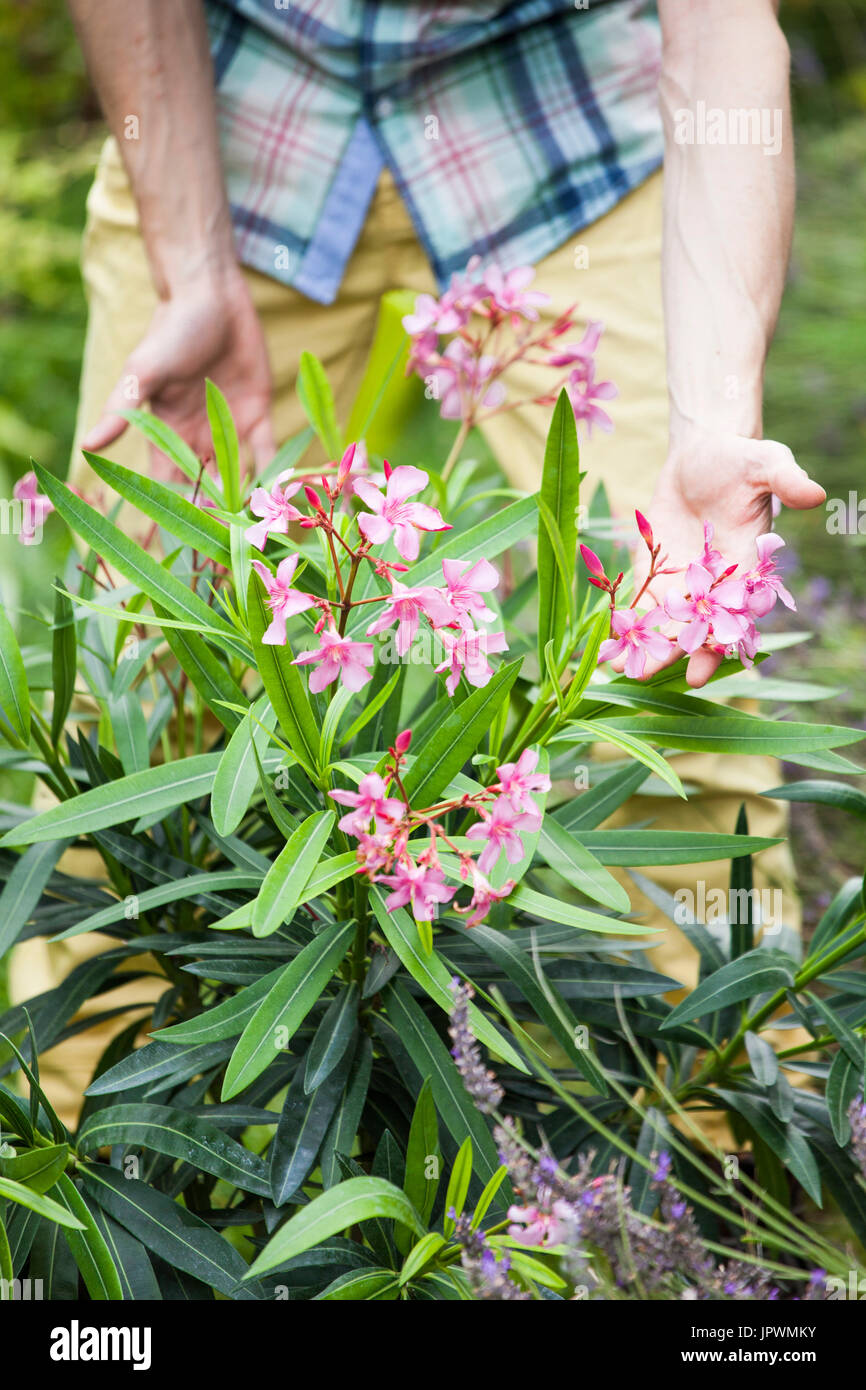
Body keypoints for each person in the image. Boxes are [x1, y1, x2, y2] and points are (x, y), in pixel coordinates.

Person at [15, 0, 826, 1118]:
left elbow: (723, 25)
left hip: (568, 126)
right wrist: (192, 271)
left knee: (686, 705)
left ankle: (725, 1167)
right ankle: (83, 1175)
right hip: (238, 116)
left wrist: (710, 418)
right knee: (126, 702)